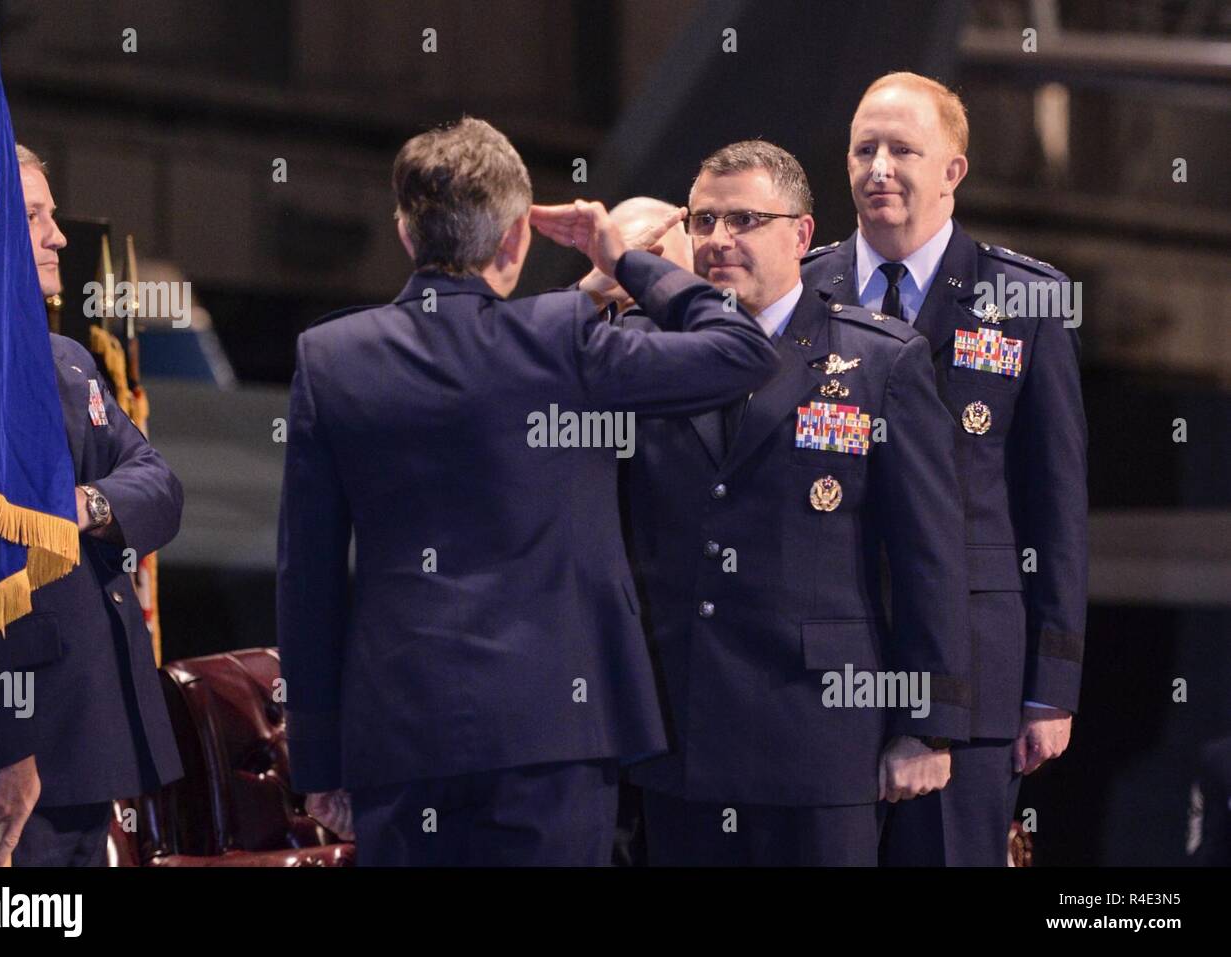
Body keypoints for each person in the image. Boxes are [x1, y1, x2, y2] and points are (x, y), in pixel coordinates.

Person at [276, 117, 780, 866]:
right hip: (555, 737)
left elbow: (307, 579)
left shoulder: (331, 358)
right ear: (516, 239)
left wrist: (319, 761)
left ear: (407, 233)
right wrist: (624, 260)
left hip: (402, 740)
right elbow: (742, 350)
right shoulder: (562, 337)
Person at [620, 140, 971, 866]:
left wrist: (927, 724)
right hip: (678, 730)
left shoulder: (879, 361)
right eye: (705, 221)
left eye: (744, 219)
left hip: (816, 734)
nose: (719, 241)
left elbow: (928, 555)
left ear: (801, 234)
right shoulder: (641, 353)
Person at [802, 72, 1088, 866]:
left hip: (976, 675)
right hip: (826, 666)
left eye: (902, 149)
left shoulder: (1027, 301)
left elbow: (1055, 506)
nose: (878, 168)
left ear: (952, 171)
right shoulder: (801, 292)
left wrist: (1051, 686)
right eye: (864, 149)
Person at [0, 145, 185, 866]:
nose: (59, 235)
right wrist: (4, 743)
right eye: (34, 216)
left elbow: (159, 484)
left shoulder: (69, 357)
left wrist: (87, 503)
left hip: (88, 742)